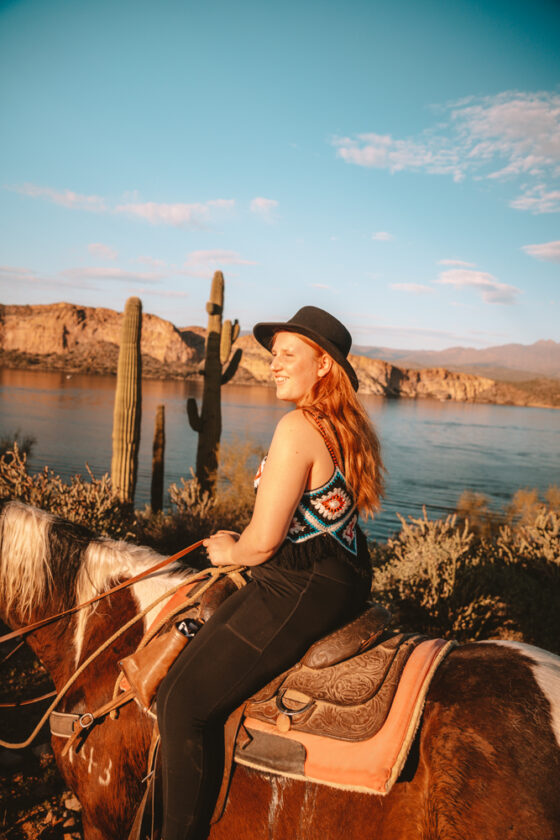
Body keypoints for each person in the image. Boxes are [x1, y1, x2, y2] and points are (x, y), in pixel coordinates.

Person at [157, 305, 385, 840]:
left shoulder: (297, 426)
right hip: (332, 576)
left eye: (288, 354)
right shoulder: (339, 425)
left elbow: (261, 544)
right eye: (273, 354)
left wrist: (227, 550)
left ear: (323, 364)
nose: (274, 364)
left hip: (300, 583)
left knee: (181, 701)